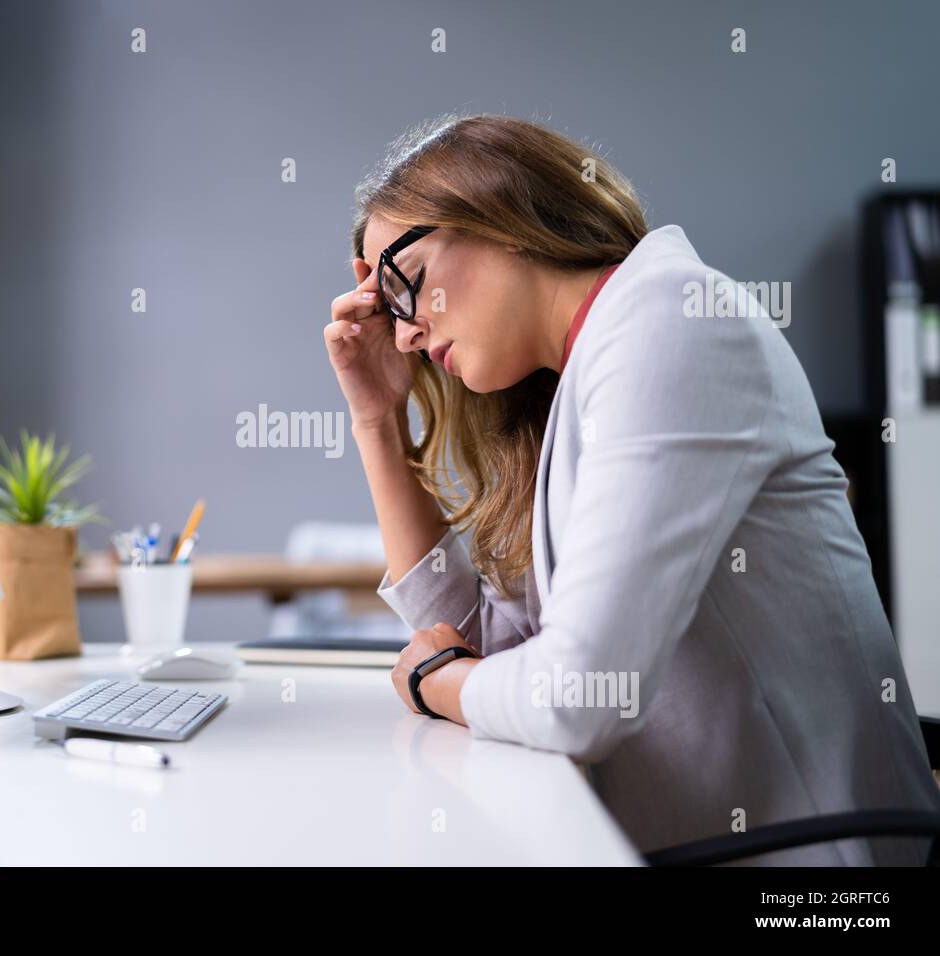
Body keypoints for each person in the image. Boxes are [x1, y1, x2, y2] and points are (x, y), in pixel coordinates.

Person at [324, 114, 939, 864]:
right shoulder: (576, 382)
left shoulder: (672, 321)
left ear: (502, 213)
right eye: (387, 313)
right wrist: (377, 420)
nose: (407, 333)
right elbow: (490, 651)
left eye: (405, 283)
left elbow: (578, 697)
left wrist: (432, 685)